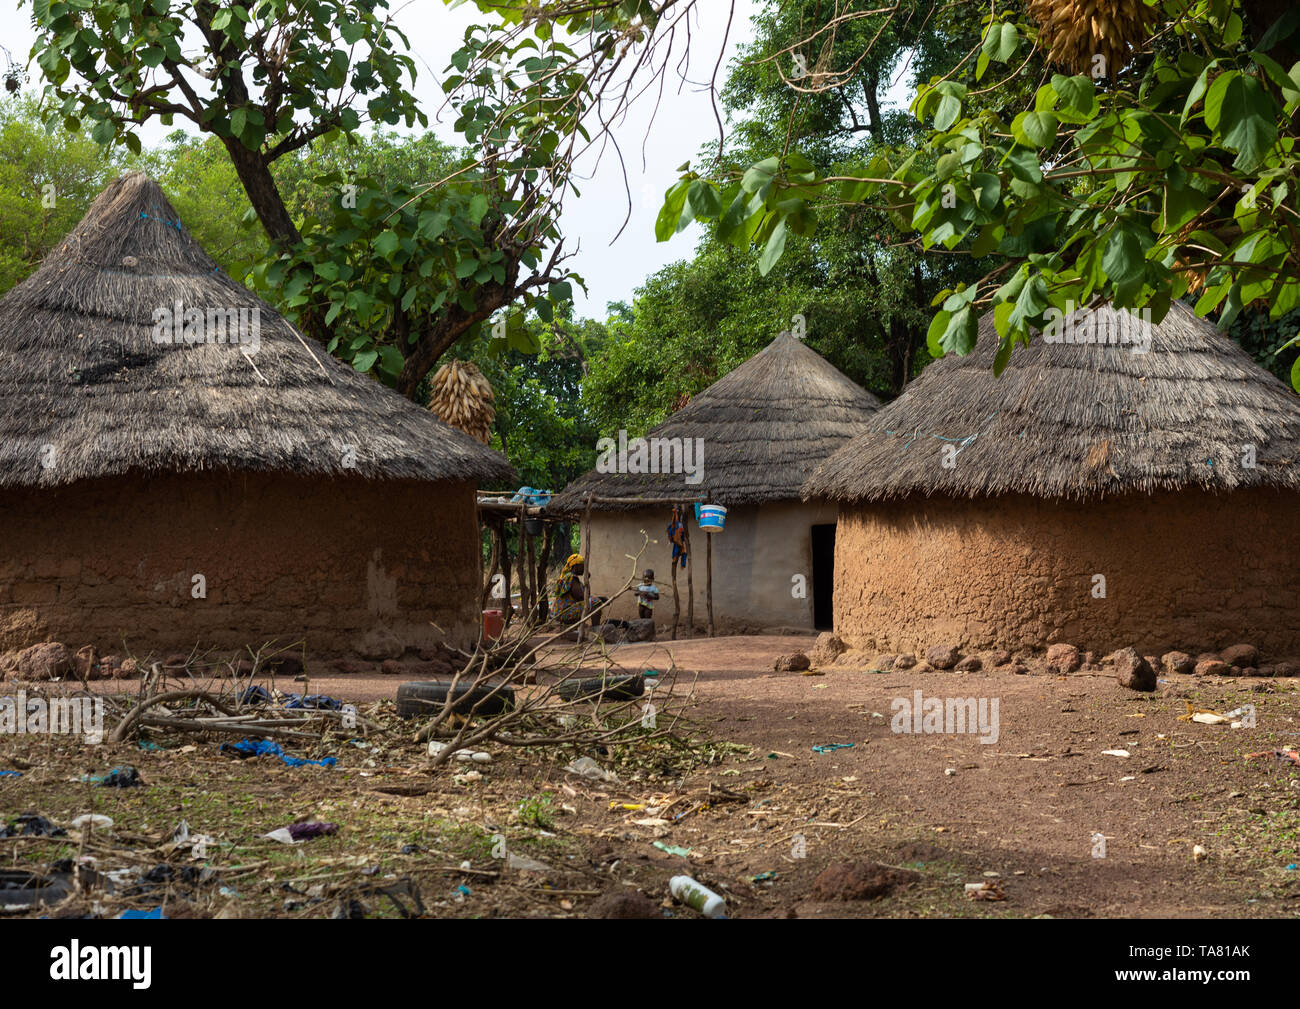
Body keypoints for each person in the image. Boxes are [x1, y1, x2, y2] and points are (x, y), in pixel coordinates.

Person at [552, 553, 606, 626]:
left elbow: (586, 595)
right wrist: (599, 599)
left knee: (594, 601)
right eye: (582, 565)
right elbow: (581, 597)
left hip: (563, 612)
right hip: (564, 613)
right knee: (595, 602)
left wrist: (587, 580)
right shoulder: (571, 578)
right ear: (575, 566)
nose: (584, 568)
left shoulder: (570, 577)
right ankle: (596, 629)